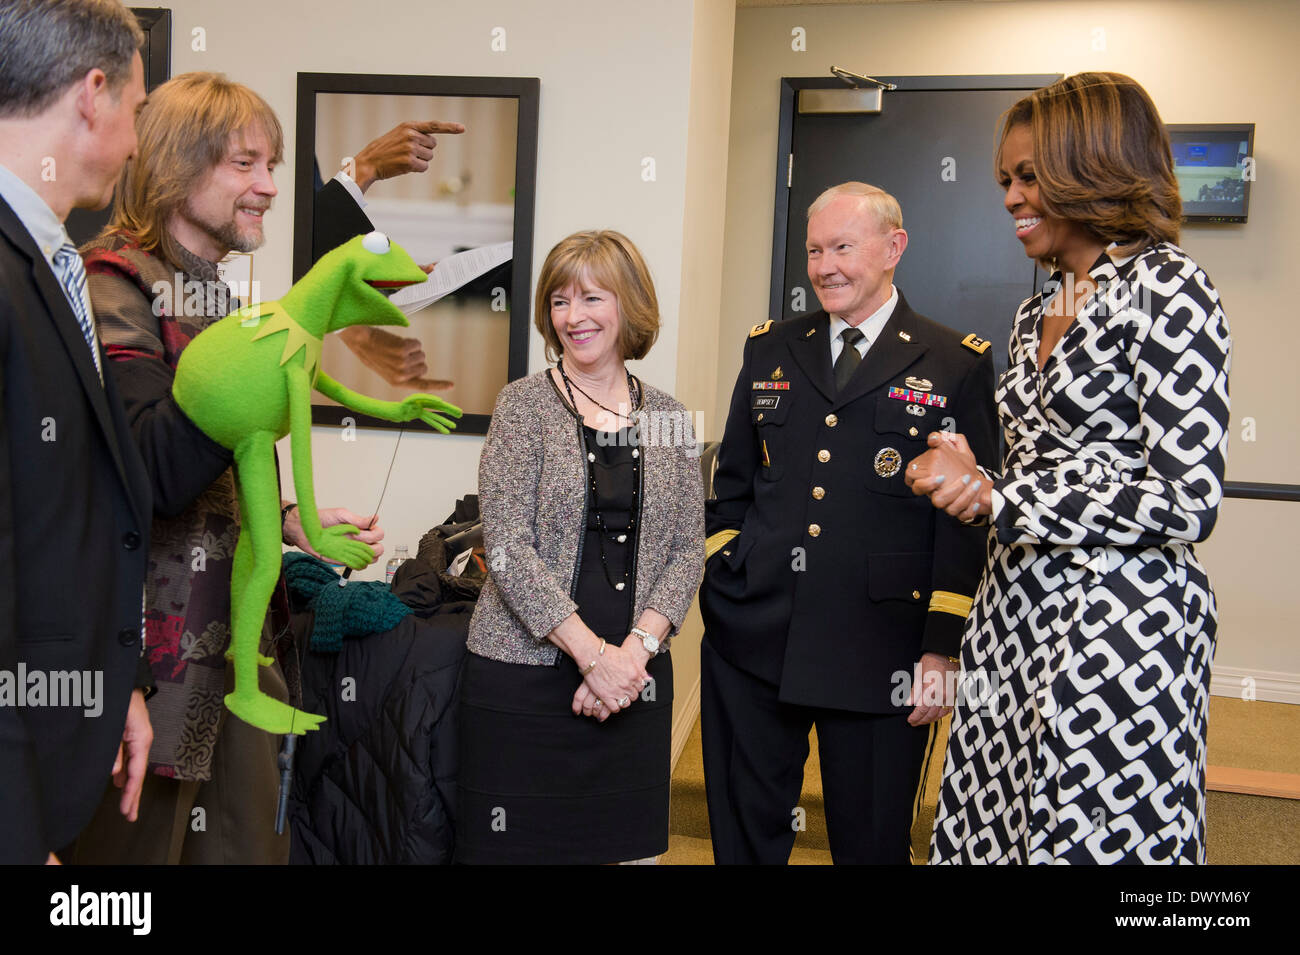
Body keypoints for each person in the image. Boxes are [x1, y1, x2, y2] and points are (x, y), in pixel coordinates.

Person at [907, 72, 1231, 864]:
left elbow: (1190, 497)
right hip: (1014, 613)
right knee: (992, 832)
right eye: (1006, 181)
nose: (1012, 197)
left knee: (1086, 841)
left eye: (1029, 177)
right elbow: (1037, 466)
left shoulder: (1168, 289)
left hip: (1119, 625)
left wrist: (1004, 499)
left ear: (1095, 167)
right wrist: (970, 468)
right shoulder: (1037, 308)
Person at [61, 72, 385, 865]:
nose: (269, 187)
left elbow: (219, 467)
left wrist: (289, 517)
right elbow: (150, 470)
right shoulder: (112, 286)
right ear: (178, 164)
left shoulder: (215, 298)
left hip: (237, 656)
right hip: (152, 676)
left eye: (271, 164)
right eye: (246, 164)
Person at [698, 182, 998, 865]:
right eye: (813, 250)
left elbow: (966, 520)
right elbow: (734, 485)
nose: (824, 266)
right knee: (743, 838)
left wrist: (940, 647)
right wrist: (725, 575)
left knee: (870, 844)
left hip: (881, 647)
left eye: (842, 247)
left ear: (894, 248)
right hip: (756, 634)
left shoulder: (955, 362)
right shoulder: (771, 347)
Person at [458, 230, 704, 864]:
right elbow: (507, 546)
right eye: (559, 302)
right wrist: (593, 656)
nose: (574, 317)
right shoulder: (522, 406)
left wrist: (632, 654)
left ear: (629, 306)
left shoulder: (671, 416)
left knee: (626, 854)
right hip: (523, 679)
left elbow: (686, 550)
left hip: (635, 681)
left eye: (592, 298)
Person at [0, 0, 152, 865]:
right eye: (134, 108)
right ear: (92, 95)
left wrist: (111, 683)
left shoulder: (52, 258)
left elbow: (64, 513)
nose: (135, 142)